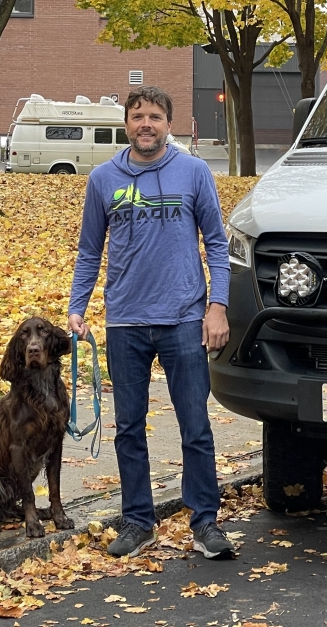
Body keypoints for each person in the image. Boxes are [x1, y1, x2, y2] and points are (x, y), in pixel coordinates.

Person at [68, 85, 234, 560]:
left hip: (184, 318)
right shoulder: (103, 179)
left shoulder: (194, 172)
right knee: (129, 428)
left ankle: (205, 523)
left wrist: (217, 306)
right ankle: (138, 522)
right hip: (126, 322)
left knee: (195, 426)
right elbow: (88, 250)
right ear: (126, 123)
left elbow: (217, 245)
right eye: (138, 116)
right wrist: (78, 306)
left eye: (155, 116)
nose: (147, 124)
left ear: (168, 123)